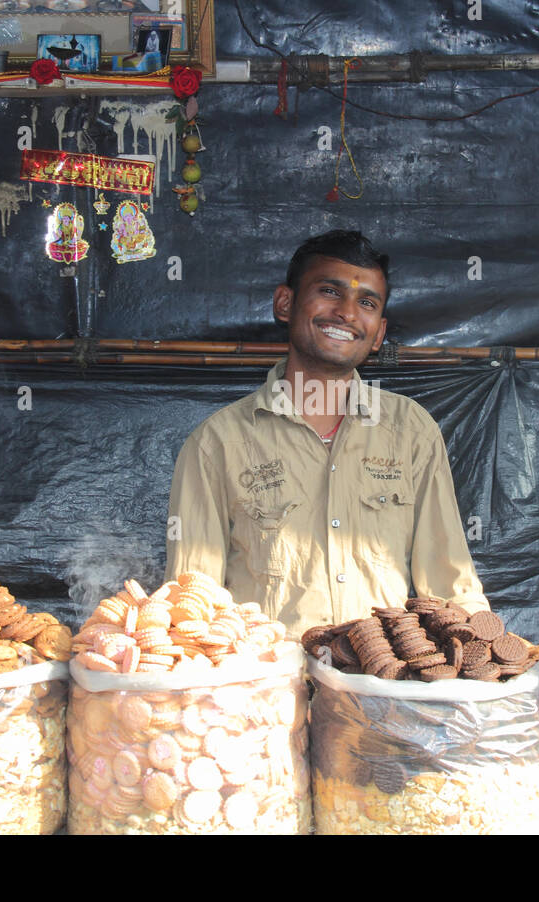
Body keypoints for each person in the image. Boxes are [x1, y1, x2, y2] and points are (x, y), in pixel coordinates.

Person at [166, 229, 490, 638]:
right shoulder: (217, 445)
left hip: (379, 690)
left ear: (379, 333)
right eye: (330, 291)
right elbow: (192, 605)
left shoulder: (411, 432)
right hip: (269, 689)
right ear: (285, 303)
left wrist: (480, 658)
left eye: (366, 302)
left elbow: (450, 587)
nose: (348, 314)